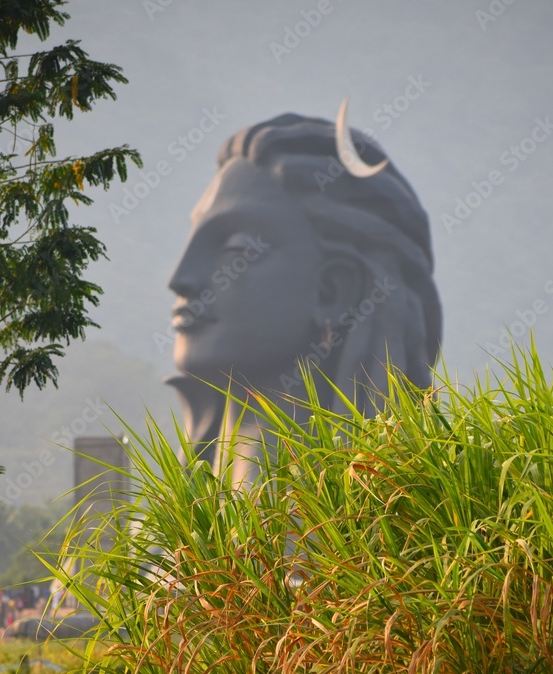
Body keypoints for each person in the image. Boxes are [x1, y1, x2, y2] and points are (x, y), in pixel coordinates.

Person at [166, 105, 442, 475]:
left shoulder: (388, 524)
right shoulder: (180, 518)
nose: (181, 277)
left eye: (234, 248)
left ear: (333, 289)